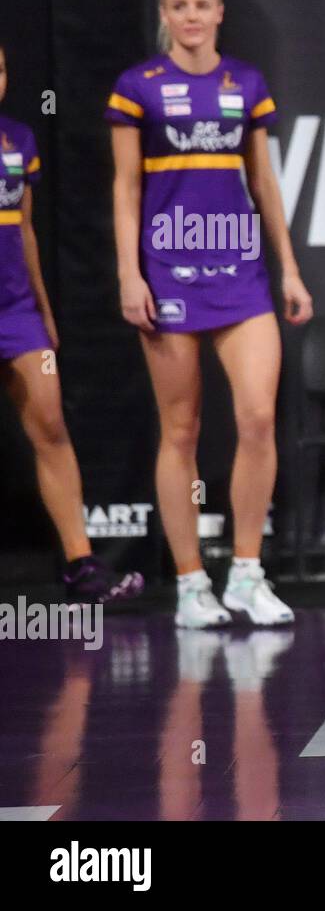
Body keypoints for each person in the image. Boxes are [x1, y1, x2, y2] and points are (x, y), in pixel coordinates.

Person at [107, 0, 310, 627]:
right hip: (167, 272)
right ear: (164, 15)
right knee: (182, 429)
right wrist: (129, 274)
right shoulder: (138, 88)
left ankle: (247, 572)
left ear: (220, 12)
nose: (191, 16)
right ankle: (192, 582)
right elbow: (127, 189)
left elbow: (266, 186)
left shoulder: (245, 83)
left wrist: (289, 269)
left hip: (242, 272)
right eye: (179, 5)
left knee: (256, 417)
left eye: (201, 4)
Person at [0, 43, 143, 604]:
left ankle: (81, 567)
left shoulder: (20, 140)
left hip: (16, 313)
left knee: (51, 423)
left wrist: (43, 309)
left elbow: (26, 231)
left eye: (2, 67)